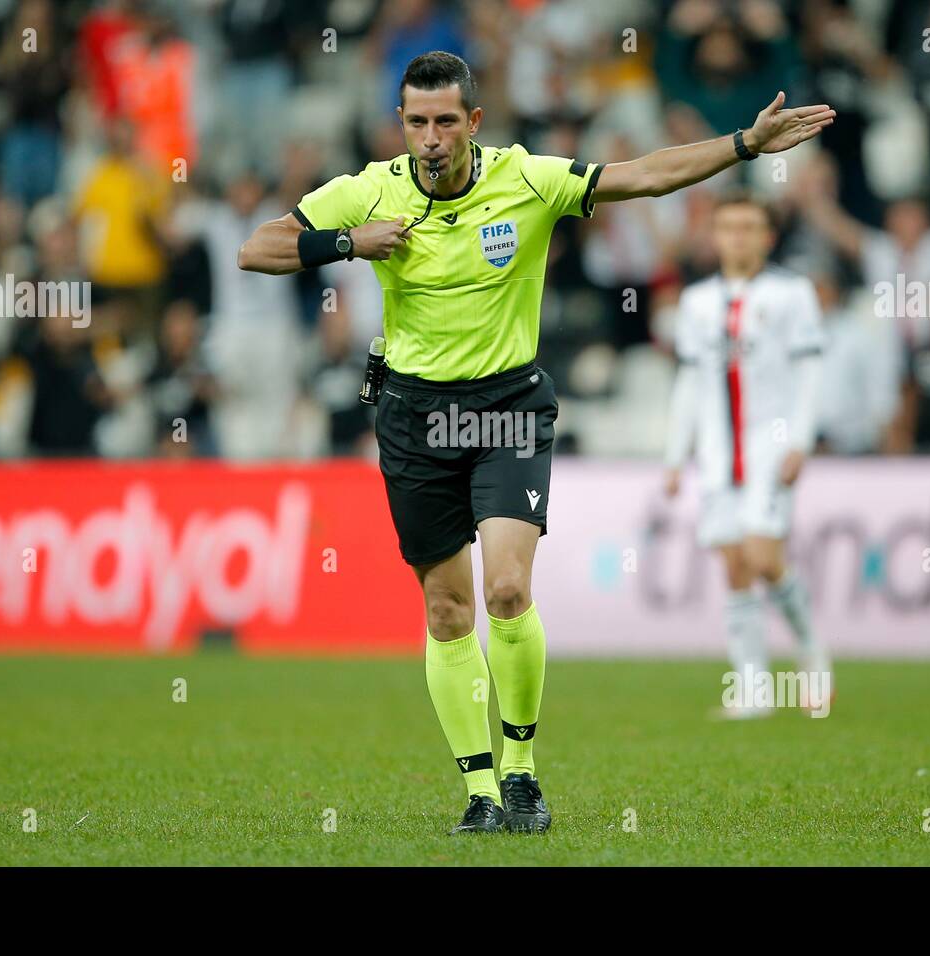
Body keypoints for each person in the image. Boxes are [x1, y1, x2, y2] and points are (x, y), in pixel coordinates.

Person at [238, 51, 833, 834]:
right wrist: (348, 244)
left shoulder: (527, 179)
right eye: (416, 121)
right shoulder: (367, 191)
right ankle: (479, 791)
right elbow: (258, 248)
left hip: (506, 409)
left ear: (473, 122)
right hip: (415, 418)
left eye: (446, 120)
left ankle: (520, 773)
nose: (430, 137)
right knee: (447, 609)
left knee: (507, 591)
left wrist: (744, 146)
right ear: (401, 124)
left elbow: (645, 175)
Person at [662, 194, 831, 719]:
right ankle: (753, 689)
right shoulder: (696, 303)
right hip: (717, 450)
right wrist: (675, 456)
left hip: (770, 444)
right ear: (713, 237)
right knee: (734, 565)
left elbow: (810, 371)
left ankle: (811, 650)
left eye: (748, 228)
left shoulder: (793, 294)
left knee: (763, 555)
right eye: (728, 227)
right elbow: (688, 381)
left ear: (768, 237)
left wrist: (801, 438)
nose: (737, 237)